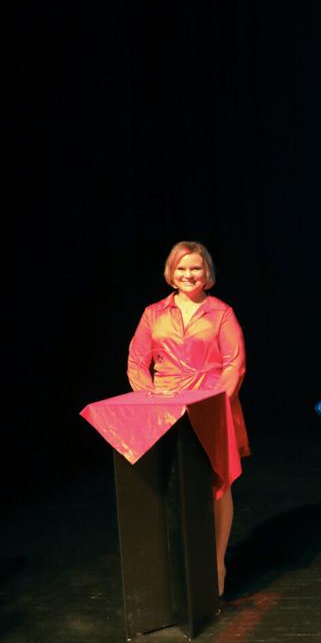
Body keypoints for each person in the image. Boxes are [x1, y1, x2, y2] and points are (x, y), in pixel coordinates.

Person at [127, 241, 249, 598]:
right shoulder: (153, 313)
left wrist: (214, 404)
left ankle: (217, 562)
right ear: (171, 272)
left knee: (218, 484)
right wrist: (149, 400)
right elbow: (136, 362)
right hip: (164, 409)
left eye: (195, 268)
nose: (188, 275)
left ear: (206, 272)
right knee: (170, 484)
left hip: (211, 406)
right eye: (181, 268)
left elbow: (235, 363)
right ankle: (175, 563)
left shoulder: (221, 312)